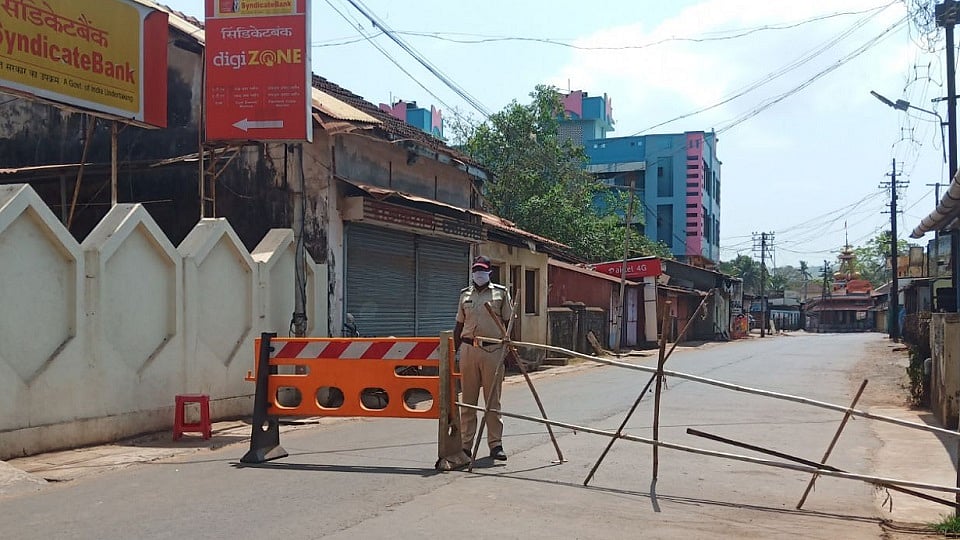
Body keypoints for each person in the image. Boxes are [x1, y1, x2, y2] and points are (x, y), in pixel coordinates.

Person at [454, 255, 513, 461]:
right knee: (468, 401)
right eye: (476, 270)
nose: (478, 274)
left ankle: (495, 444)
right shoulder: (465, 295)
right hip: (469, 350)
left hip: (493, 350)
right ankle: (466, 446)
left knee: (492, 401)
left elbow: (509, 322)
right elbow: (459, 325)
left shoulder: (501, 294)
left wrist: (510, 350)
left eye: (482, 270)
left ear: (489, 272)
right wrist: (453, 351)